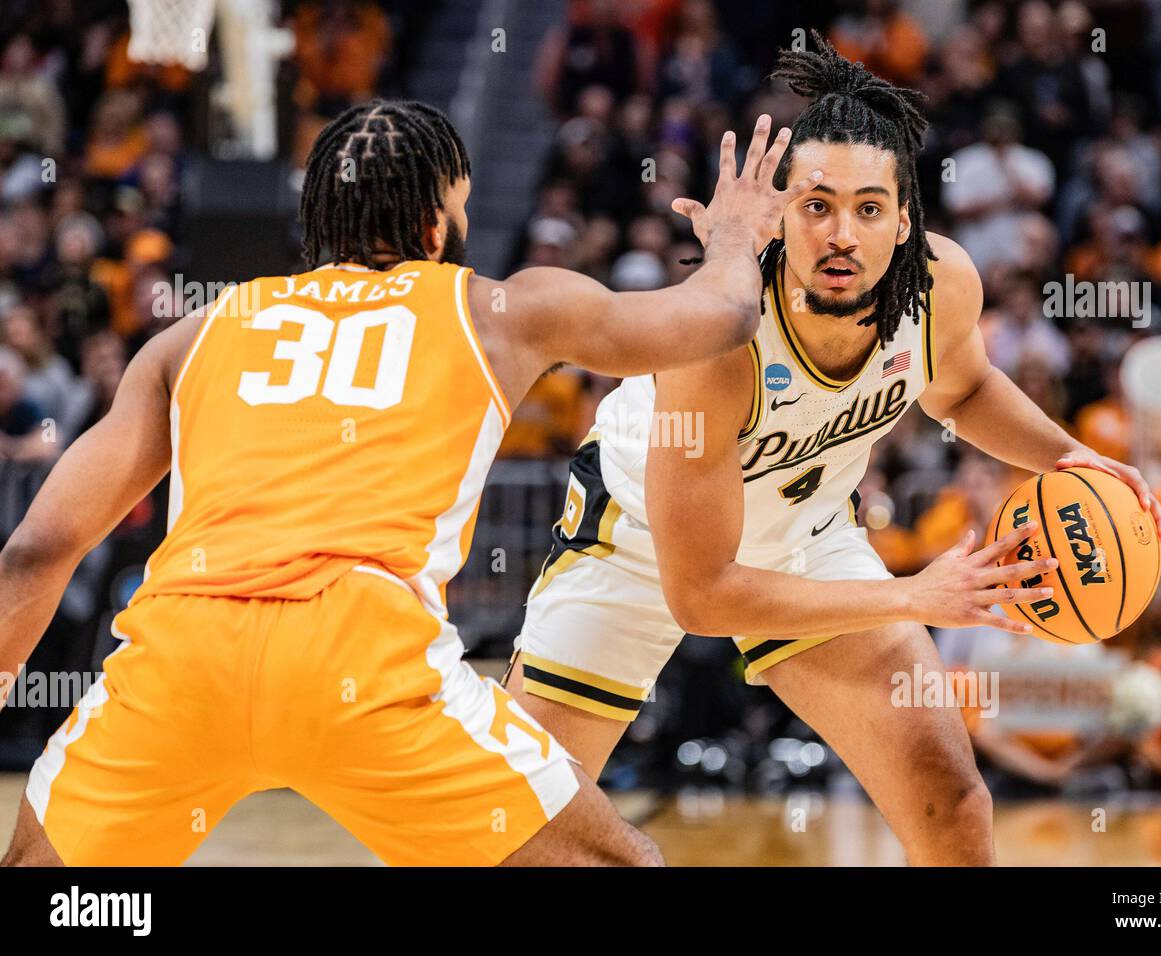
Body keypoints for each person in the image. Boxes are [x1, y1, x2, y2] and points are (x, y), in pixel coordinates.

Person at [0, 99, 821, 866]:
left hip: (182, 657)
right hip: (362, 660)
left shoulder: (195, 333)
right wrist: (736, 235)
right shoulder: (501, 309)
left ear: (316, 221)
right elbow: (718, 319)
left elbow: (37, 550)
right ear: (437, 225)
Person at [505, 35, 1161, 866]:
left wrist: (1074, 458)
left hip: (807, 533)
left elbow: (960, 391)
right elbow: (704, 597)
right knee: (518, 837)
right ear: (782, 213)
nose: (841, 233)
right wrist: (911, 597)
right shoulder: (718, 341)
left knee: (954, 803)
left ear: (904, 220)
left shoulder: (940, 286)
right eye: (817, 205)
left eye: (867, 207)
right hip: (639, 544)